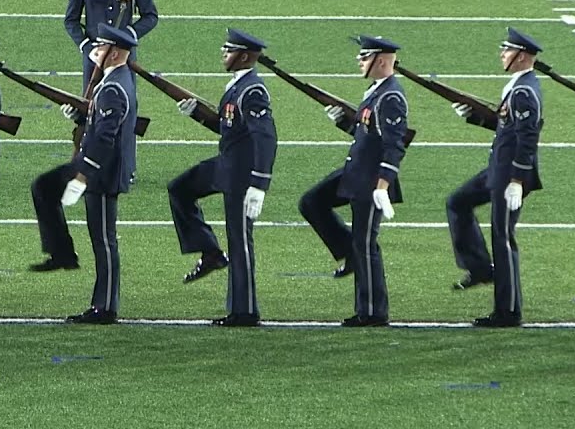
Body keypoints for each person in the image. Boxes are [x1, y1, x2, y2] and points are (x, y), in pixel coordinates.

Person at [166, 29, 276, 327]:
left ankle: (245, 311)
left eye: (228, 50)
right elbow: (230, 128)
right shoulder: (238, 87)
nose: (222, 53)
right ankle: (211, 252)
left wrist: (259, 184)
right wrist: (198, 114)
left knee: (239, 239)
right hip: (225, 166)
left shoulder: (252, 90)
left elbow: (265, 138)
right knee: (179, 188)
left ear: (243, 56)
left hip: (242, 176)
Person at [299, 35, 407, 328]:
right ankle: (348, 254)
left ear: (381, 61)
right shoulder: (376, 92)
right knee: (312, 202)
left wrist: (383, 185)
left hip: (371, 181)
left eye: (364, 57)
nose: (359, 61)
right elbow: (369, 135)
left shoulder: (391, 97)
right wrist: (346, 122)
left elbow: (395, 144)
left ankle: (372, 312)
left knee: (365, 243)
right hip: (356, 173)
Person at [447, 28, 543, 328]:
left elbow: (528, 138)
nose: (502, 54)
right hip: (498, 170)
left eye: (507, 50)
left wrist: (518, 179)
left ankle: (508, 311)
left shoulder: (524, 91)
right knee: (457, 202)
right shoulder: (518, 87)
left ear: (522, 56)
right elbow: (507, 128)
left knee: (503, 238)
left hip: (509, 174)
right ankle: (480, 268)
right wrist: (475, 117)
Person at [48, 25, 139, 324]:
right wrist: (81, 115)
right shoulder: (115, 81)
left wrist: (83, 175)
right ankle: (103, 303)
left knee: (103, 240)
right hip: (104, 171)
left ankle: (106, 307)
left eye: (100, 48)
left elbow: (104, 138)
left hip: (103, 174)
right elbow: (100, 124)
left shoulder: (113, 87)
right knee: (102, 239)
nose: (95, 52)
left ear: (113, 52)